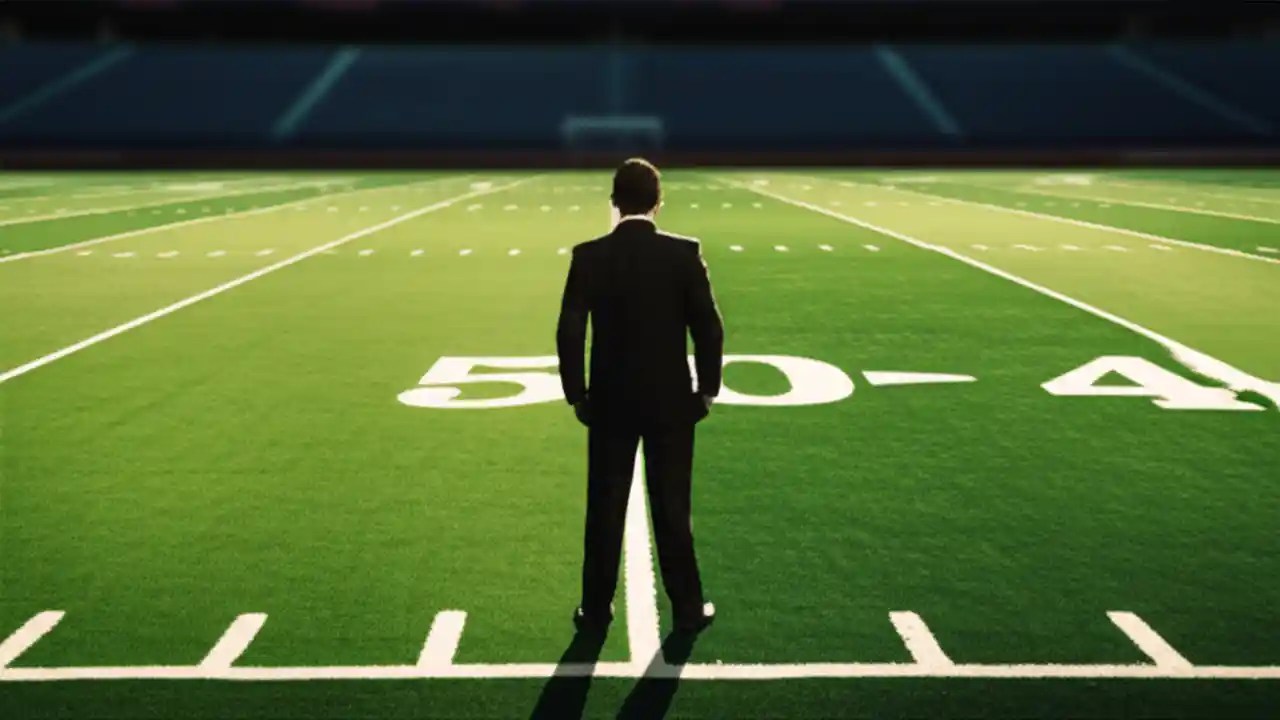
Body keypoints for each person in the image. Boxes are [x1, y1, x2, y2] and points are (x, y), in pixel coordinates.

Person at [556, 158, 724, 635]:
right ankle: (688, 609)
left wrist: (577, 394)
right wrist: (706, 391)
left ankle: (594, 609)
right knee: (673, 508)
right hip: (671, 403)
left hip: (609, 403)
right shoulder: (684, 253)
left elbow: (570, 331)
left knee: (604, 508)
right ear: (657, 201)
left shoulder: (588, 256)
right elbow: (709, 329)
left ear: (614, 201)